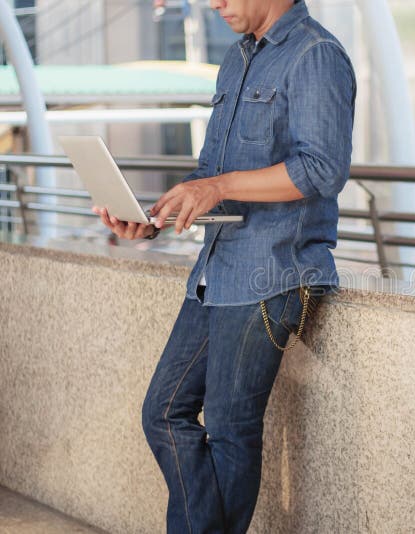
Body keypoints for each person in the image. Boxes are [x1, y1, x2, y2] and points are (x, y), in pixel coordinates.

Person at [92, 0, 356, 531]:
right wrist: (159, 216)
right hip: (218, 268)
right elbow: (213, 174)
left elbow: (322, 170)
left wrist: (218, 186)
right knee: (163, 412)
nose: (213, 2)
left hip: (273, 272)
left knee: (231, 431)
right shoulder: (238, 58)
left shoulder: (317, 54)